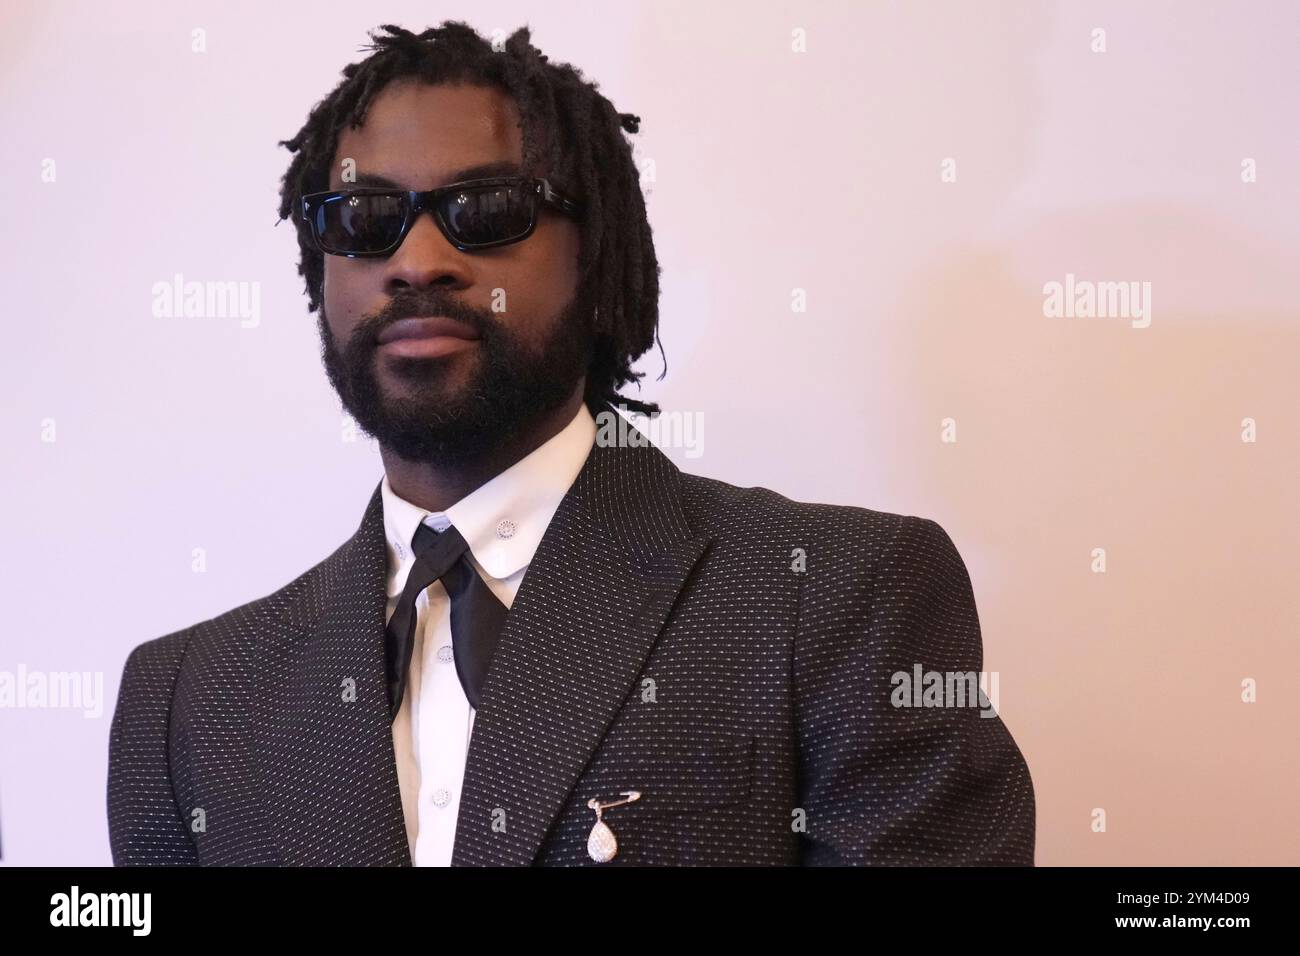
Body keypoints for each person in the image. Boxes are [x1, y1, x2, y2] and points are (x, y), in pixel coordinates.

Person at [107, 21, 1034, 866]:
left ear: (599, 260)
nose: (418, 260)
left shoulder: (835, 598)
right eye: (364, 220)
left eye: (486, 209)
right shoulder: (187, 699)